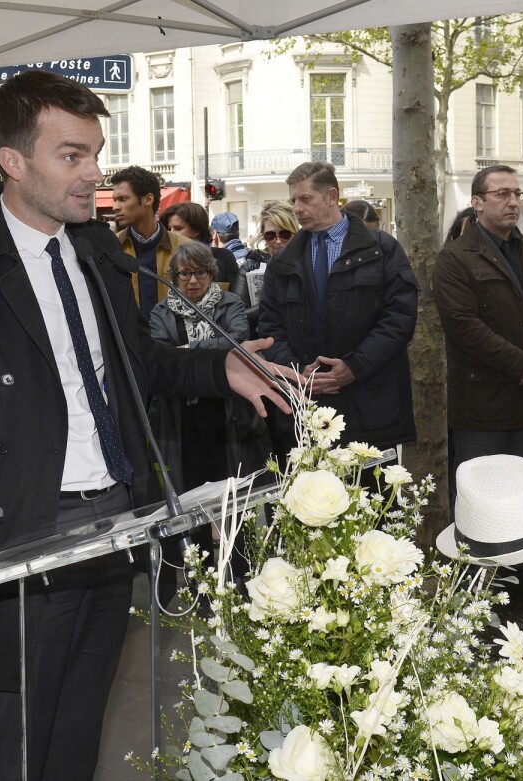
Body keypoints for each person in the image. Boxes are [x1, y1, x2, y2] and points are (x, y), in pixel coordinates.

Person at [0, 70, 293, 781]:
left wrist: (216, 369)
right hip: (18, 535)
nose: (95, 175)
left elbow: (138, 364)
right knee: (17, 751)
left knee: (76, 738)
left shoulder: (98, 251)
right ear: (13, 162)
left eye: (97, 154)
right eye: (72, 155)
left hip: (112, 526)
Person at [433, 164, 523, 606]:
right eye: (501, 194)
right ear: (477, 202)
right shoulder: (456, 257)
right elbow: (463, 326)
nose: (512, 202)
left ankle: (520, 581)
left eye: (517, 194)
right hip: (479, 406)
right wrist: (522, 364)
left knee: (521, 498)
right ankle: (474, 596)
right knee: (478, 503)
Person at [258, 161, 419, 449]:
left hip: (372, 409)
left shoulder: (382, 250)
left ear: (332, 197)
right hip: (308, 411)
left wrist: (354, 367)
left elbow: (399, 318)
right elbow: (270, 327)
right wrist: (297, 371)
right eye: (293, 200)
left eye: (306, 199)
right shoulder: (282, 263)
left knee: (373, 492)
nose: (296, 208)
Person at [149, 242, 271, 570]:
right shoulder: (161, 311)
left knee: (234, 500)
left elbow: (237, 340)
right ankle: (202, 579)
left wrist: (189, 348)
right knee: (192, 502)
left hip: (226, 416)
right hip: (183, 420)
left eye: (200, 272)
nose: (192, 280)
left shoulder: (229, 303)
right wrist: (202, 353)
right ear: (173, 277)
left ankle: (244, 572)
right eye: (184, 273)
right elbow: (159, 353)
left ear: (212, 274)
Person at [110, 165, 188, 320]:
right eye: (115, 200)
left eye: (123, 199)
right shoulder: (111, 247)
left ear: (148, 199)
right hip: (130, 340)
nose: (115, 207)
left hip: (174, 341)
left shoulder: (186, 247)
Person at [160, 201, 242, 296]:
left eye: (178, 228)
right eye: (168, 229)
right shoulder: (164, 258)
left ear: (196, 230)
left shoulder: (224, 257)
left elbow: (236, 297)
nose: (171, 233)